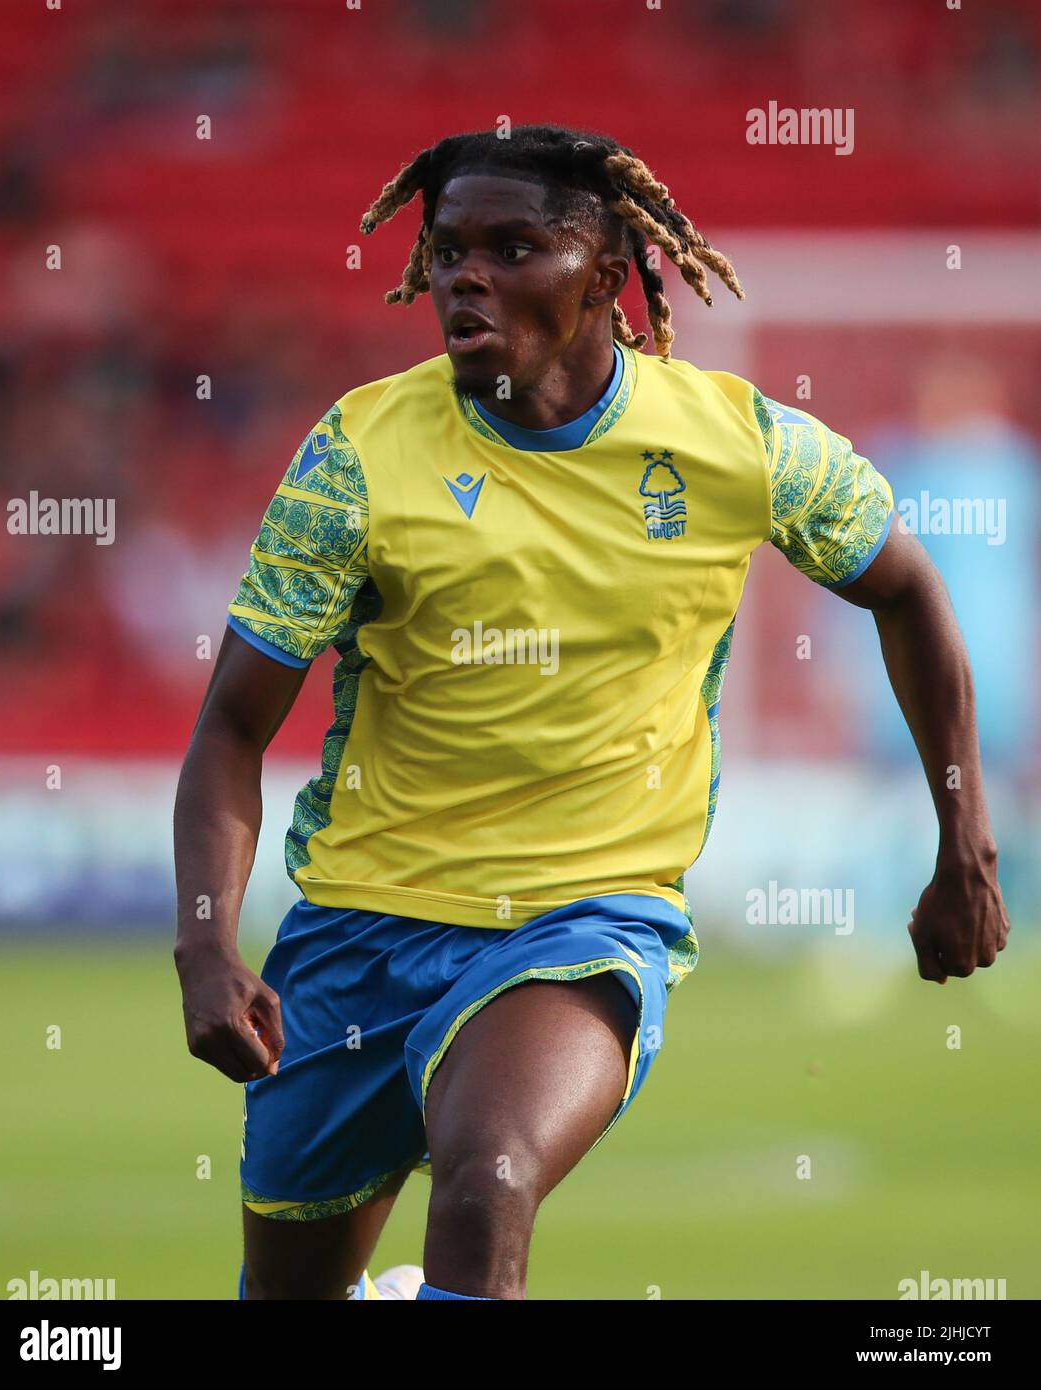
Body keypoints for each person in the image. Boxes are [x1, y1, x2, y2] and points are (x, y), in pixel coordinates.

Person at [173, 124, 1009, 1301]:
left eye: (513, 248)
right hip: (360, 928)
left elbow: (911, 588)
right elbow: (230, 729)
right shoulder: (356, 459)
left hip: (582, 922)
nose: (466, 277)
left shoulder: (738, 445)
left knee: (491, 1175)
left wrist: (962, 840)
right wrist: (207, 941)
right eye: (449, 249)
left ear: (607, 276)